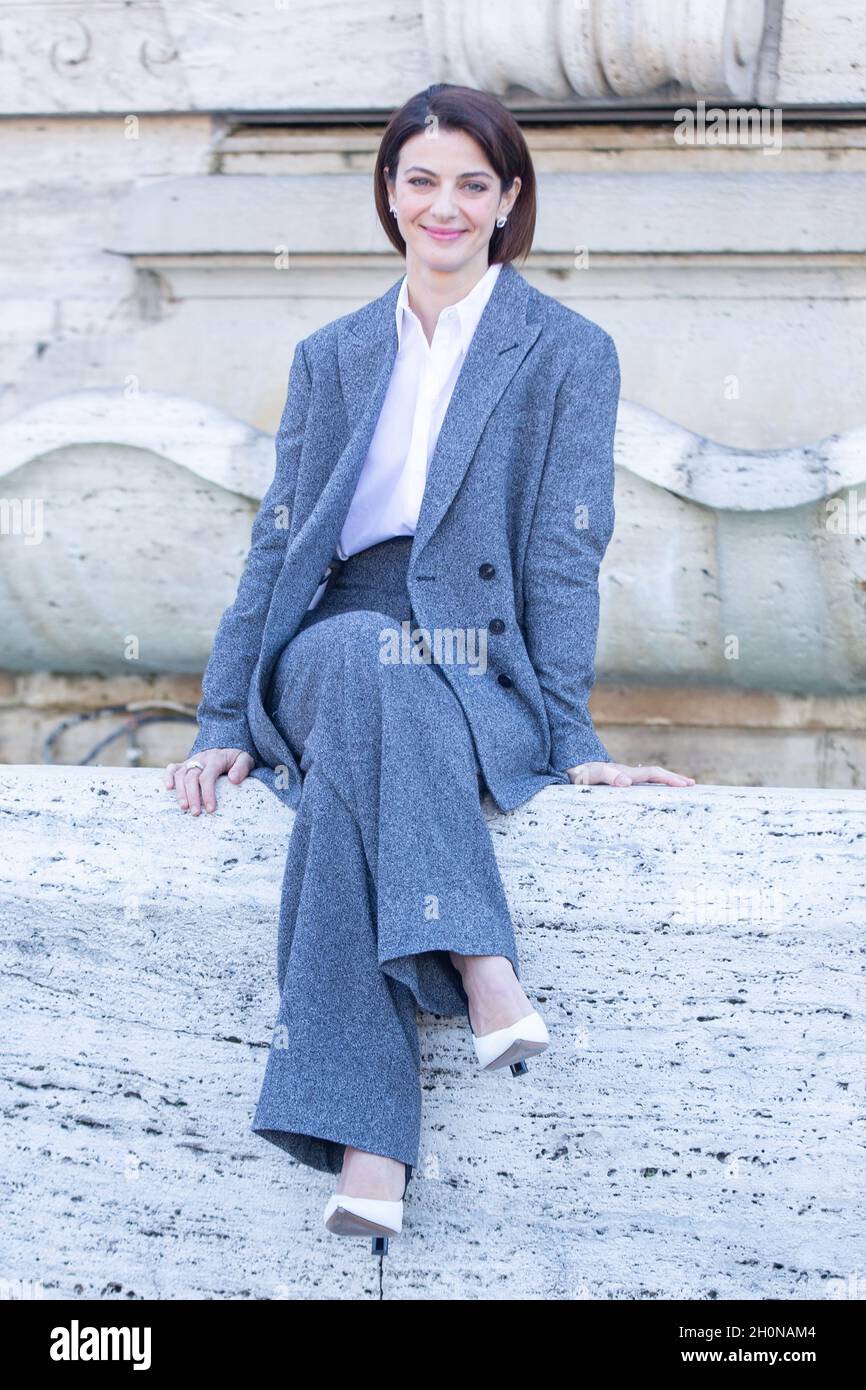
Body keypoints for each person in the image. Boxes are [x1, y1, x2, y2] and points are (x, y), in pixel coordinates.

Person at [165, 83, 695, 1254]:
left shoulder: (566, 351)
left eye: (470, 183)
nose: (442, 205)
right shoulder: (332, 353)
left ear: (508, 200)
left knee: (363, 746)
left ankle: (368, 1144)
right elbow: (278, 537)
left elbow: (564, 557)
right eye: (419, 180)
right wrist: (220, 715)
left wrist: (572, 742)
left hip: (471, 657)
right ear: (388, 193)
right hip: (332, 630)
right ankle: (477, 955)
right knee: (360, 654)